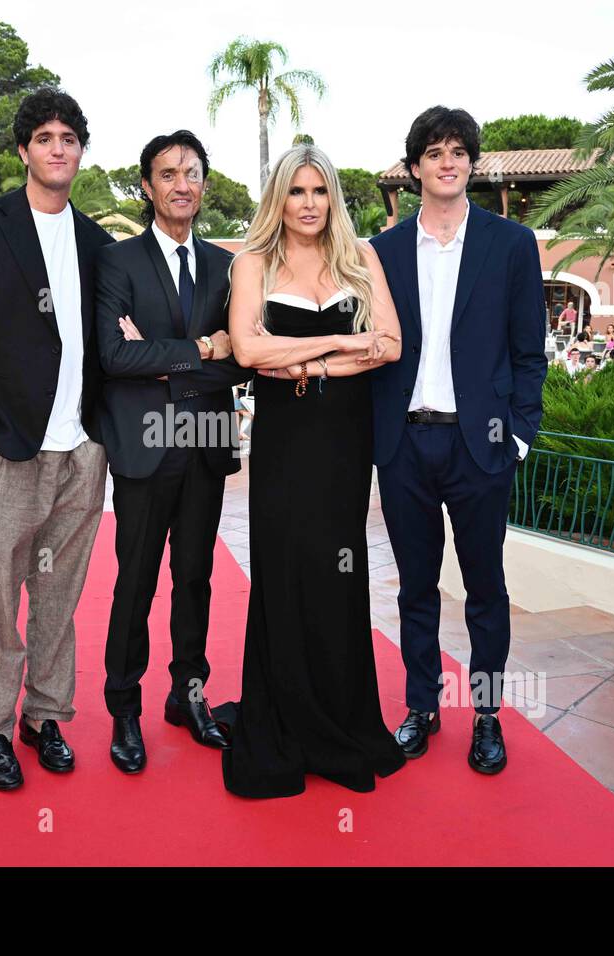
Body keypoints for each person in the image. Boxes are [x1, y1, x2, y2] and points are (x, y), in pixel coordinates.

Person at [0, 89, 114, 791]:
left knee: (59, 593)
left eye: (69, 136)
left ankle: (45, 716)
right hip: (4, 449)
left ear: (81, 150)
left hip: (81, 448)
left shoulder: (99, 243)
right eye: (45, 136)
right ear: (23, 150)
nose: (58, 147)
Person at [216, 143, 406, 799]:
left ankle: (343, 717)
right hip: (285, 444)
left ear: (333, 198)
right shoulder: (252, 264)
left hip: (344, 442)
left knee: (338, 572)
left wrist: (304, 364)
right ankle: (284, 717)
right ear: (279, 199)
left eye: (319, 192)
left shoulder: (361, 259)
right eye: (296, 192)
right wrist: (341, 341)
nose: (308, 204)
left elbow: (390, 344)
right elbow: (247, 348)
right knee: (284, 568)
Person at [368, 106, 547, 775]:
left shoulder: (511, 245)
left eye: (459, 152)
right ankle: (421, 708)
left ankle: (488, 715)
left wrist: (520, 437)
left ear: (471, 164)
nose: (448, 162)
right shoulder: (380, 252)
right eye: (435, 152)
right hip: (405, 445)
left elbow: (531, 352)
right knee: (415, 587)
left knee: (486, 589)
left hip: (483, 447)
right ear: (415, 168)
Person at [94, 131, 251, 773]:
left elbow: (243, 356)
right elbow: (114, 355)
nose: (181, 184)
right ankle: (124, 710)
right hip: (143, 448)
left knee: (196, 578)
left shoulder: (227, 266)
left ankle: (188, 697)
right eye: (167, 174)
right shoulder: (118, 263)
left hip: (206, 444)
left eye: (191, 173)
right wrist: (199, 349)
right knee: (134, 583)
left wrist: (164, 356)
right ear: (147, 187)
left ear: (204, 185)